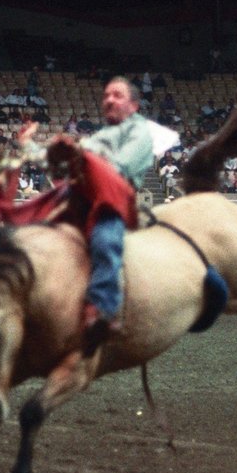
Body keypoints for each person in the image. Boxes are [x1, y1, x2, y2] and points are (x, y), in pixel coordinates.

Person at [66, 77, 154, 344]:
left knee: (105, 239)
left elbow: (119, 168)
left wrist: (84, 158)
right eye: (106, 95)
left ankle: (103, 310)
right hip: (88, 196)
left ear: (134, 105)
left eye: (117, 95)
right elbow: (81, 154)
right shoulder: (103, 134)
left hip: (116, 199)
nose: (109, 100)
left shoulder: (141, 133)